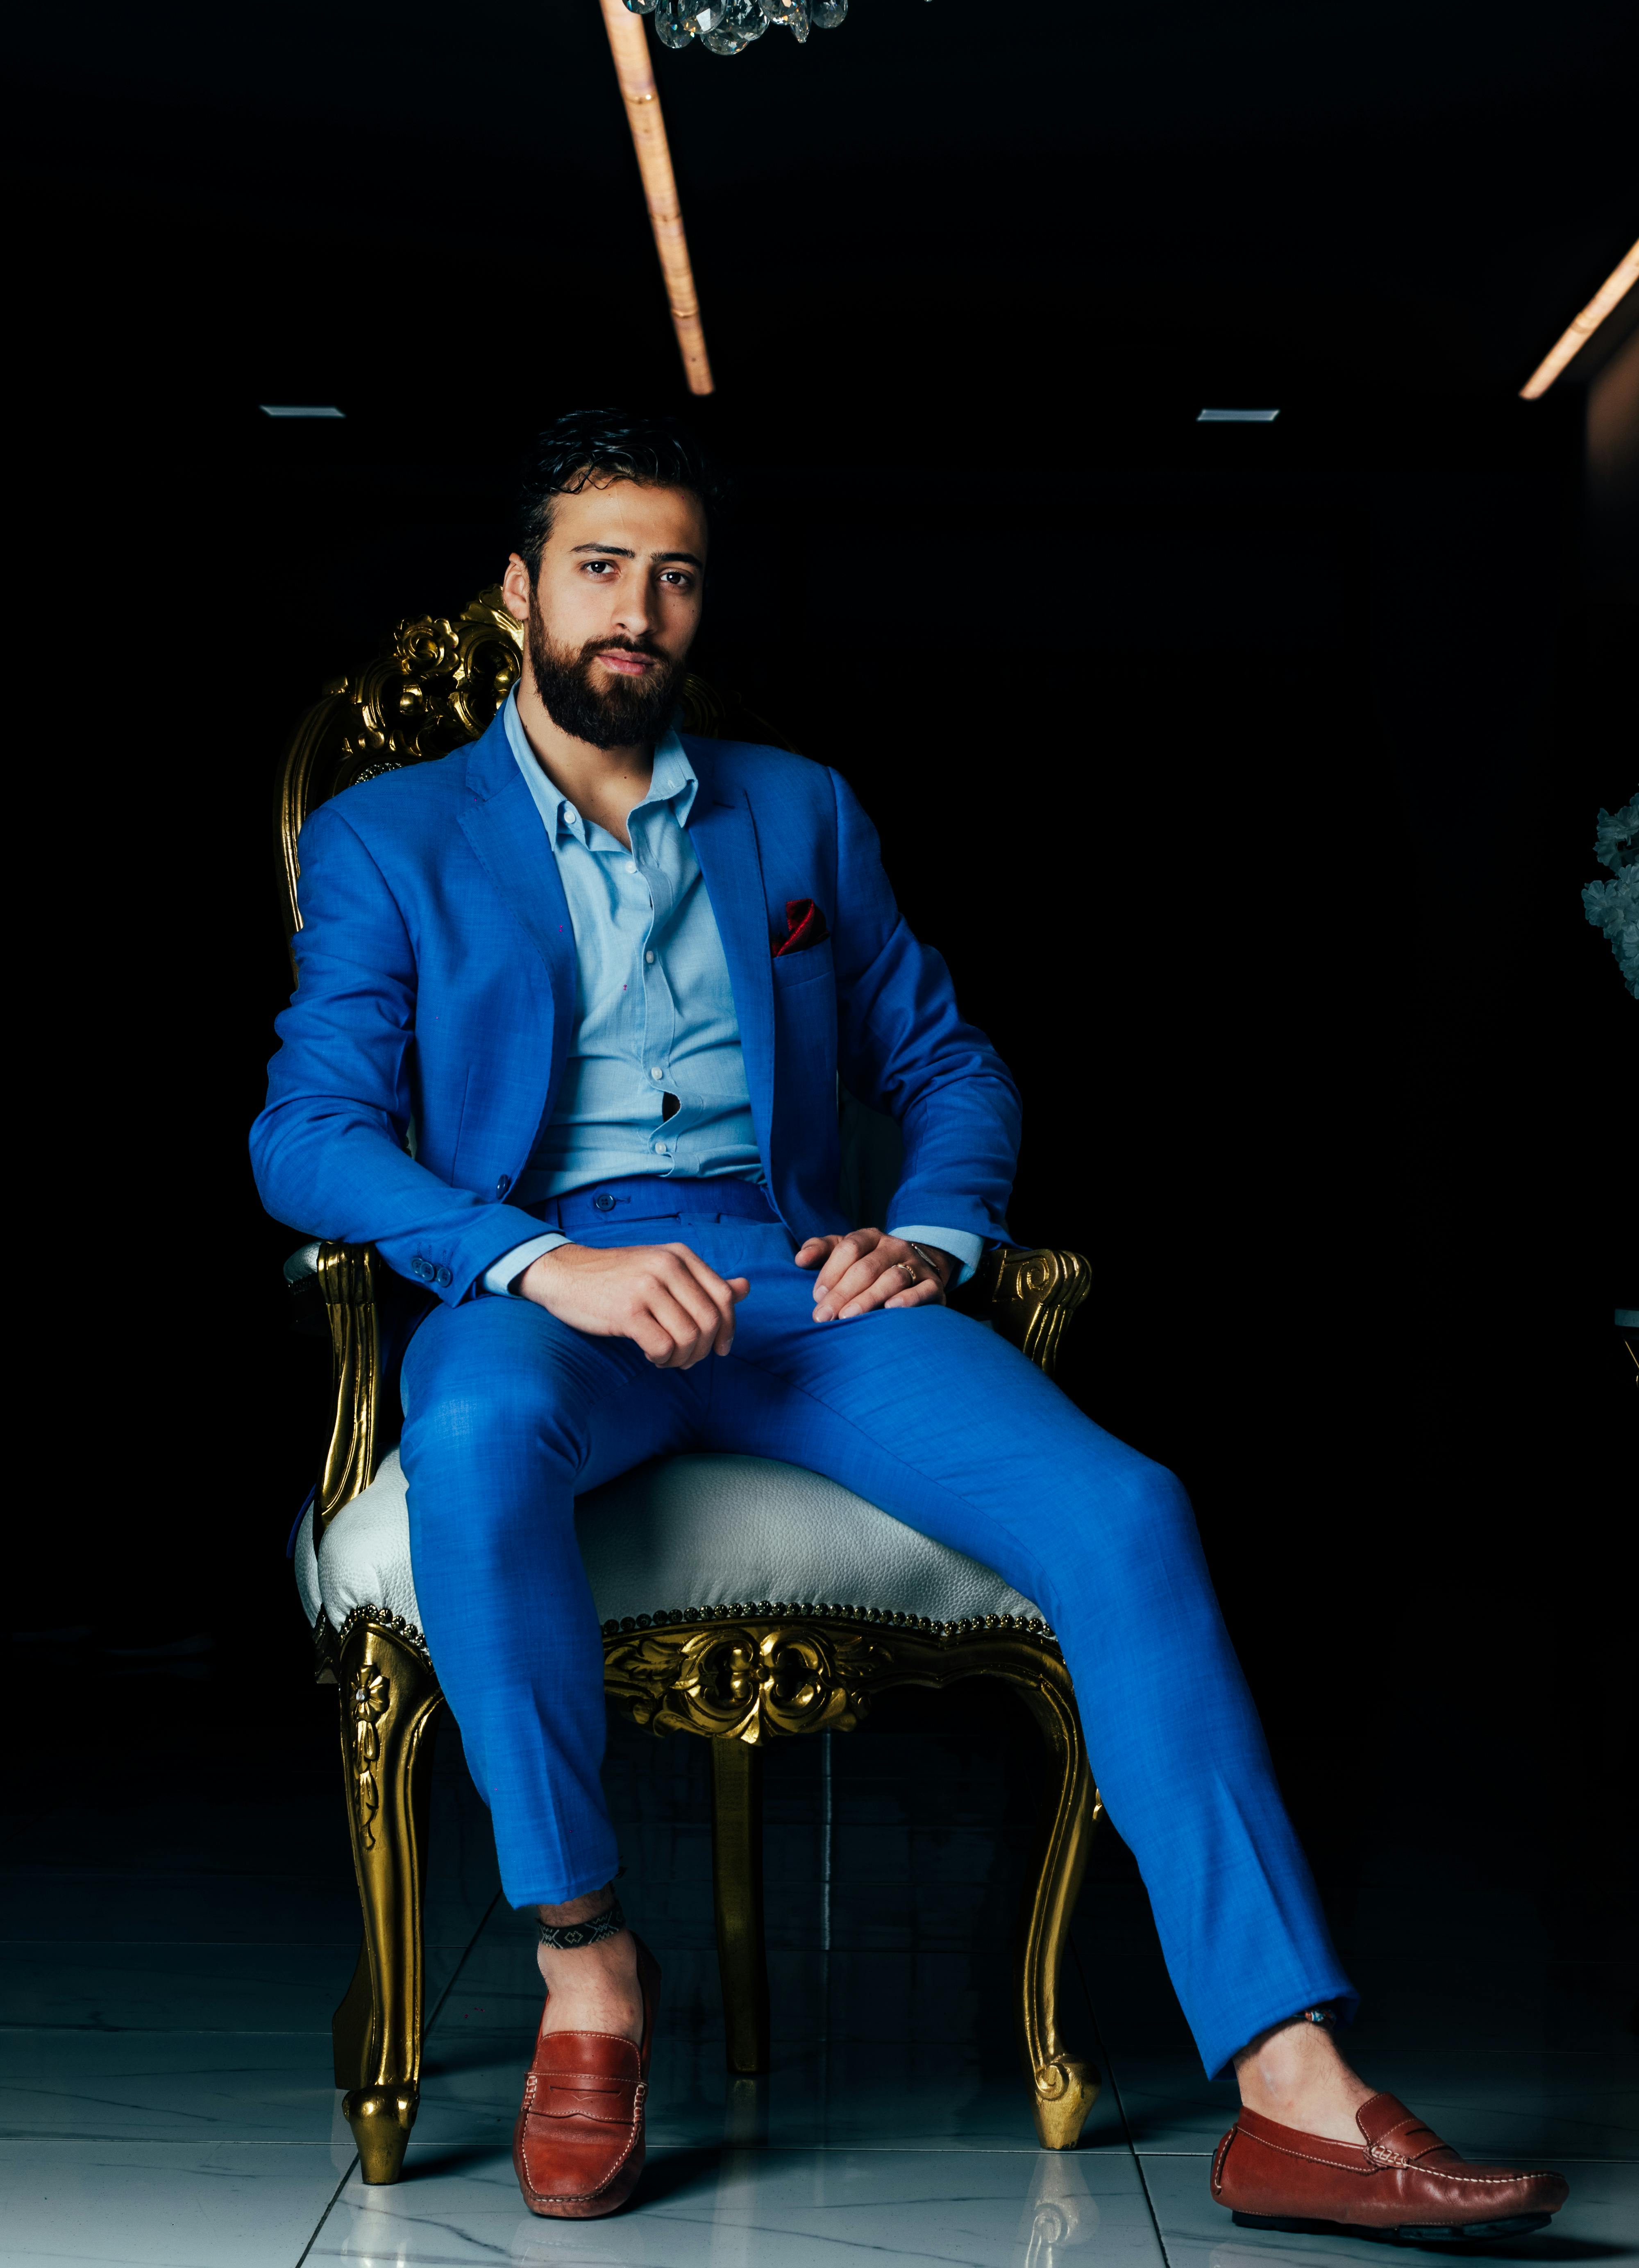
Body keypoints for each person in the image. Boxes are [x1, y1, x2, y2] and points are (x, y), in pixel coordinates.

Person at [252, 409, 1567, 2239]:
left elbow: (944, 1062)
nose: (639, 608)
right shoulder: (399, 837)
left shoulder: (799, 810)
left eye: (676, 575)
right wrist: (527, 1262)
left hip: (798, 1280)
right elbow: (306, 1135)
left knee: (1128, 1510)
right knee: (468, 1441)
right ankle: (582, 1962)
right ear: (520, 592)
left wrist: (936, 1230)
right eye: (601, 568)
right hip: (547, 1282)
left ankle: (1287, 2086)